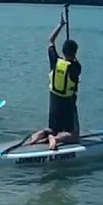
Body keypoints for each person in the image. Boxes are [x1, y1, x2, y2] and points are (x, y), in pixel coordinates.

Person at [23, 11, 81, 151]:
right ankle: (55, 139)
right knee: (74, 135)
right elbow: (74, 70)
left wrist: (60, 25)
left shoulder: (54, 61)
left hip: (54, 100)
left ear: (63, 51)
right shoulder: (75, 67)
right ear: (74, 53)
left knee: (52, 128)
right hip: (68, 103)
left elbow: (50, 40)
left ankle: (39, 135)